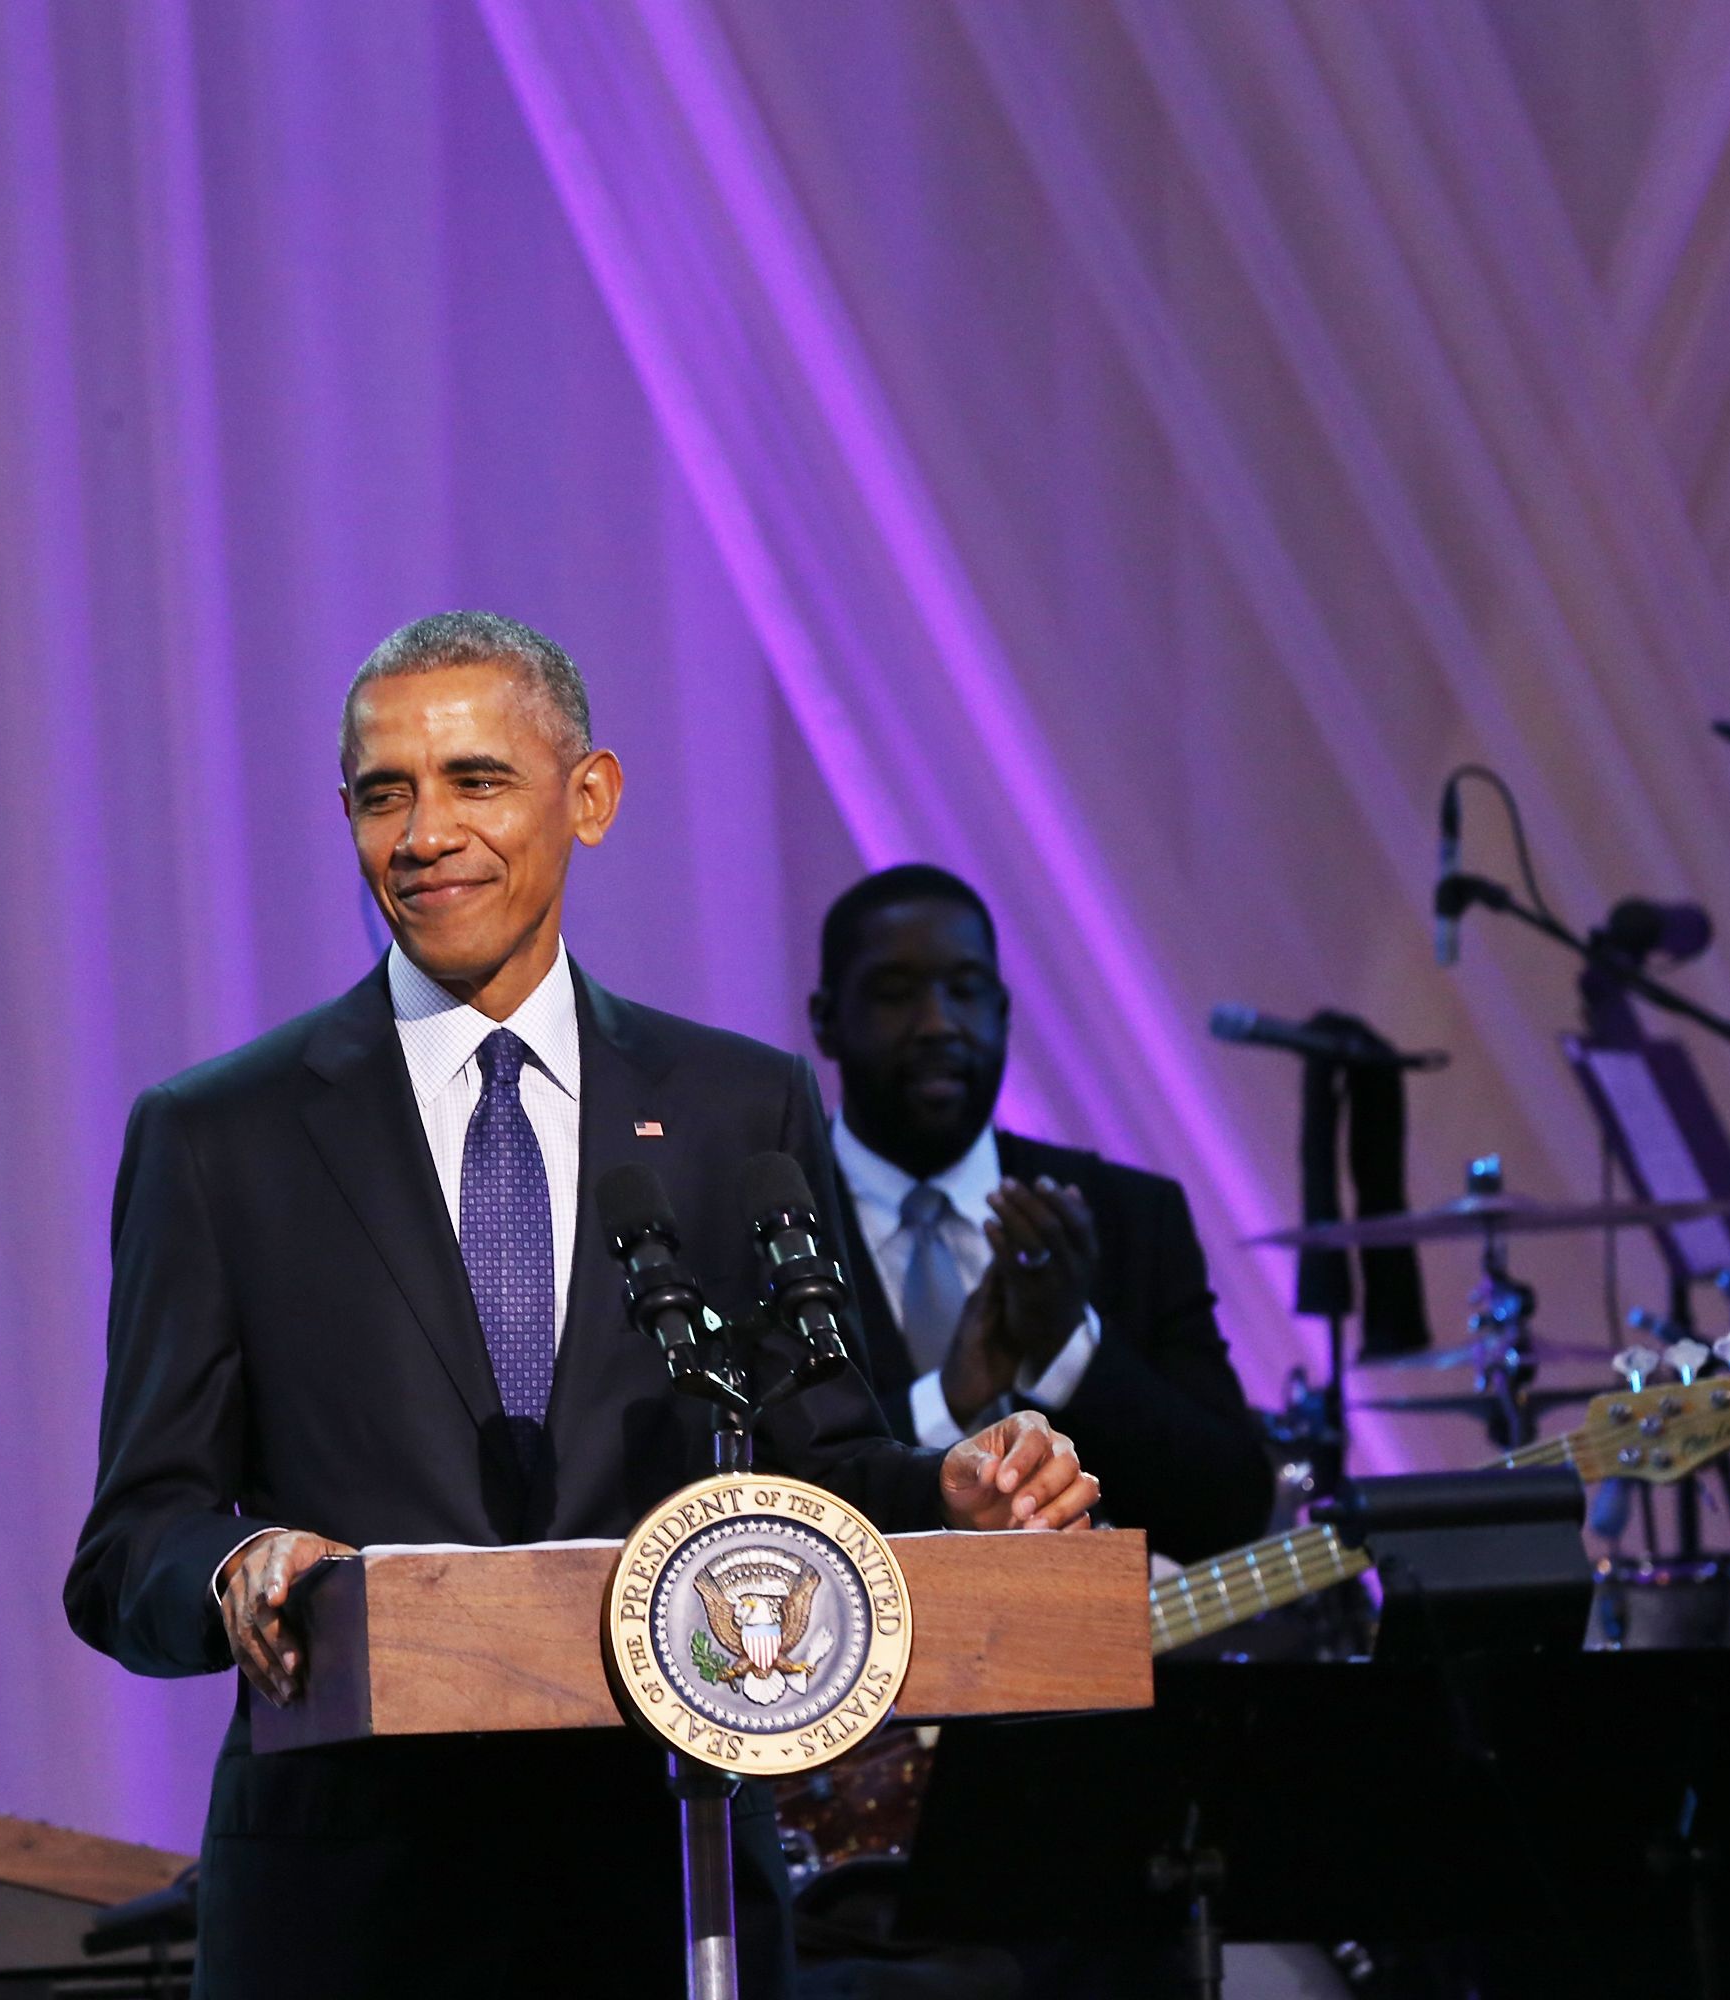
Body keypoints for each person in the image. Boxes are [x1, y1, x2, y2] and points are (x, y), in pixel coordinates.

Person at [66, 614, 1097, 1999]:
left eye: (476, 780)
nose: (424, 834)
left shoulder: (738, 1107)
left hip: (663, 1883)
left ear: (590, 797)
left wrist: (950, 1491)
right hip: (348, 1907)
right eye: (383, 794)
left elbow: (813, 1471)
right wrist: (237, 1565)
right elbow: (132, 1538)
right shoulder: (218, 1136)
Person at [808, 863, 1270, 1564]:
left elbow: (1231, 1511)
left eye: (967, 990)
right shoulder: (766, 1218)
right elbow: (751, 1499)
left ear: (1003, 1013)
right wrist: (946, 1402)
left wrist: (1069, 1350)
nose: (938, 1024)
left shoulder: (1128, 1215)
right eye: (895, 994)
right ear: (826, 1021)